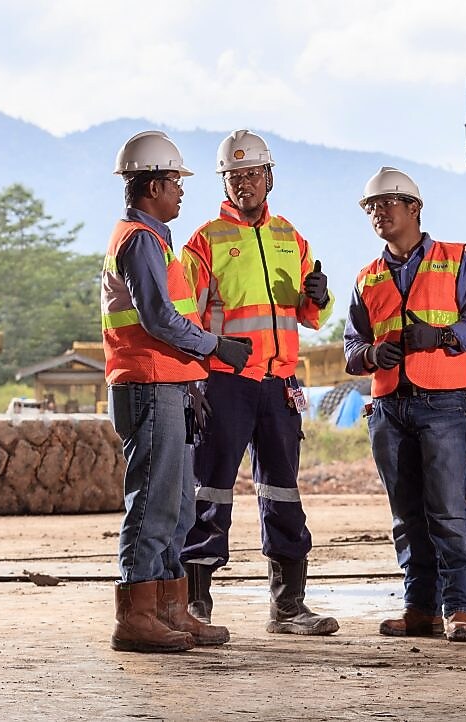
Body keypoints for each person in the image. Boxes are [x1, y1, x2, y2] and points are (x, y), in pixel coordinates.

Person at [177, 129, 339, 636]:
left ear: (269, 177)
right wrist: (193, 381)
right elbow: (185, 316)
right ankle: (196, 606)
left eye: (251, 174)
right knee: (210, 492)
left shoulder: (293, 238)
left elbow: (311, 317)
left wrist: (319, 295)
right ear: (223, 183)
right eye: (233, 177)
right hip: (225, 384)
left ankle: (288, 608)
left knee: (283, 493)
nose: (243, 184)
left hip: (279, 384)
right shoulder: (204, 241)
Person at [102, 130, 253, 653]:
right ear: (151, 186)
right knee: (153, 502)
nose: (181, 192)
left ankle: (170, 608)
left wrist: (195, 371)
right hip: (147, 381)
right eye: (174, 183)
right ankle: (137, 615)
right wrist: (215, 347)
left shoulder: (155, 239)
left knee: (178, 506)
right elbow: (161, 318)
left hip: (170, 382)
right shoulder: (139, 240)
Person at [343, 166, 466, 643]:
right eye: (371, 206)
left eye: (388, 203)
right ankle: (420, 609)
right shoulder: (366, 279)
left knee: (447, 510)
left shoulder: (455, 258)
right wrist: (369, 354)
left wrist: (442, 336)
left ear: (414, 209)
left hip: (442, 404)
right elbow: (351, 348)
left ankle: (459, 610)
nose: (378, 213)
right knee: (406, 515)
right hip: (389, 410)